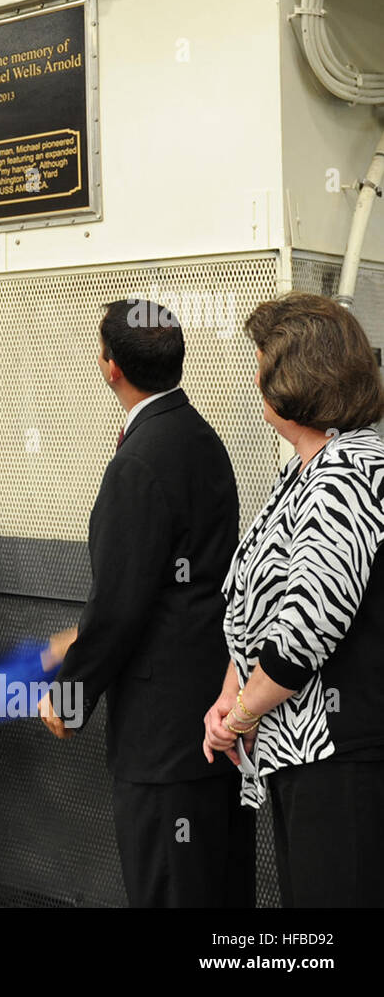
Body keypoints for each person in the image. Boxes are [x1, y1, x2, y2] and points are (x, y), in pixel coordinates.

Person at [39, 298, 254, 907]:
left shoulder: (136, 463)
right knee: (222, 889)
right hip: (219, 712)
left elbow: (120, 606)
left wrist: (71, 696)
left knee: (168, 886)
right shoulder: (204, 440)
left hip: (161, 738)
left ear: (110, 368)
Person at [202, 293, 384, 907]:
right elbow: (256, 606)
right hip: (299, 750)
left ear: (292, 379)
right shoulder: (305, 468)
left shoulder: (348, 473)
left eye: (260, 363)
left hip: (343, 756)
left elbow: (309, 625)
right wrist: (231, 696)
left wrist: (241, 715)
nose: (253, 378)